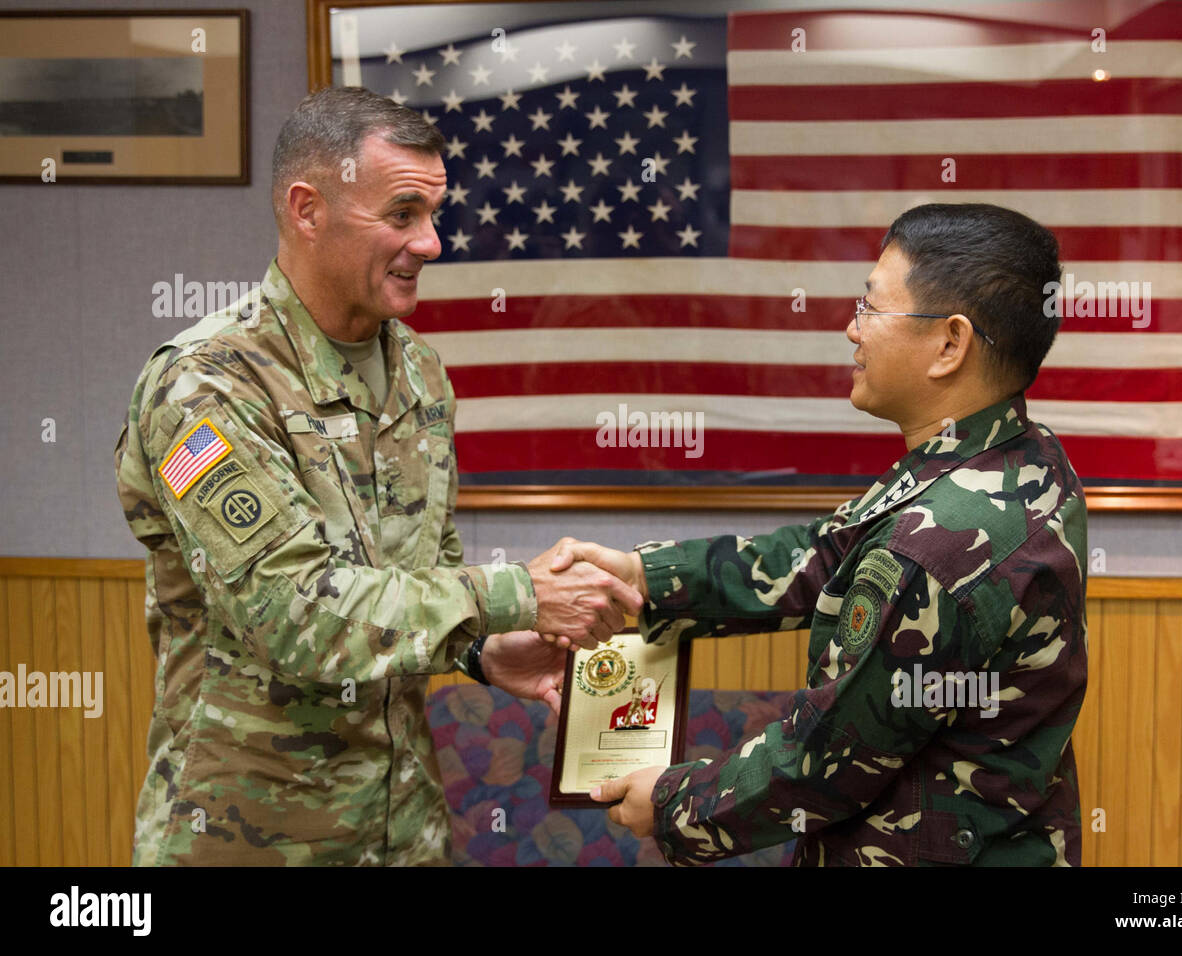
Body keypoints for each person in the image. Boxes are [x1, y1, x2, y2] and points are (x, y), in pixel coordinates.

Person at [114, 86, 640, 866]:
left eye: (433, 213)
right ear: (307, 208)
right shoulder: (209, 385)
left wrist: (482, 651)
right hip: (247, 842)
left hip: (404, 833)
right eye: (402, 214)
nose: (430, 242)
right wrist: (515, 595)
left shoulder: (420, 376)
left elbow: (416, 585)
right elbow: (294, 613)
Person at [562, 203, 1089, 866]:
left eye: (870, 307)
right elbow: (829, 552)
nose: (850, 330)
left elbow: (823, 761)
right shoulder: (1016, 457)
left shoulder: (934, 547)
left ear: (950, 344)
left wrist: (670, 803)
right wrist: (645, 577)